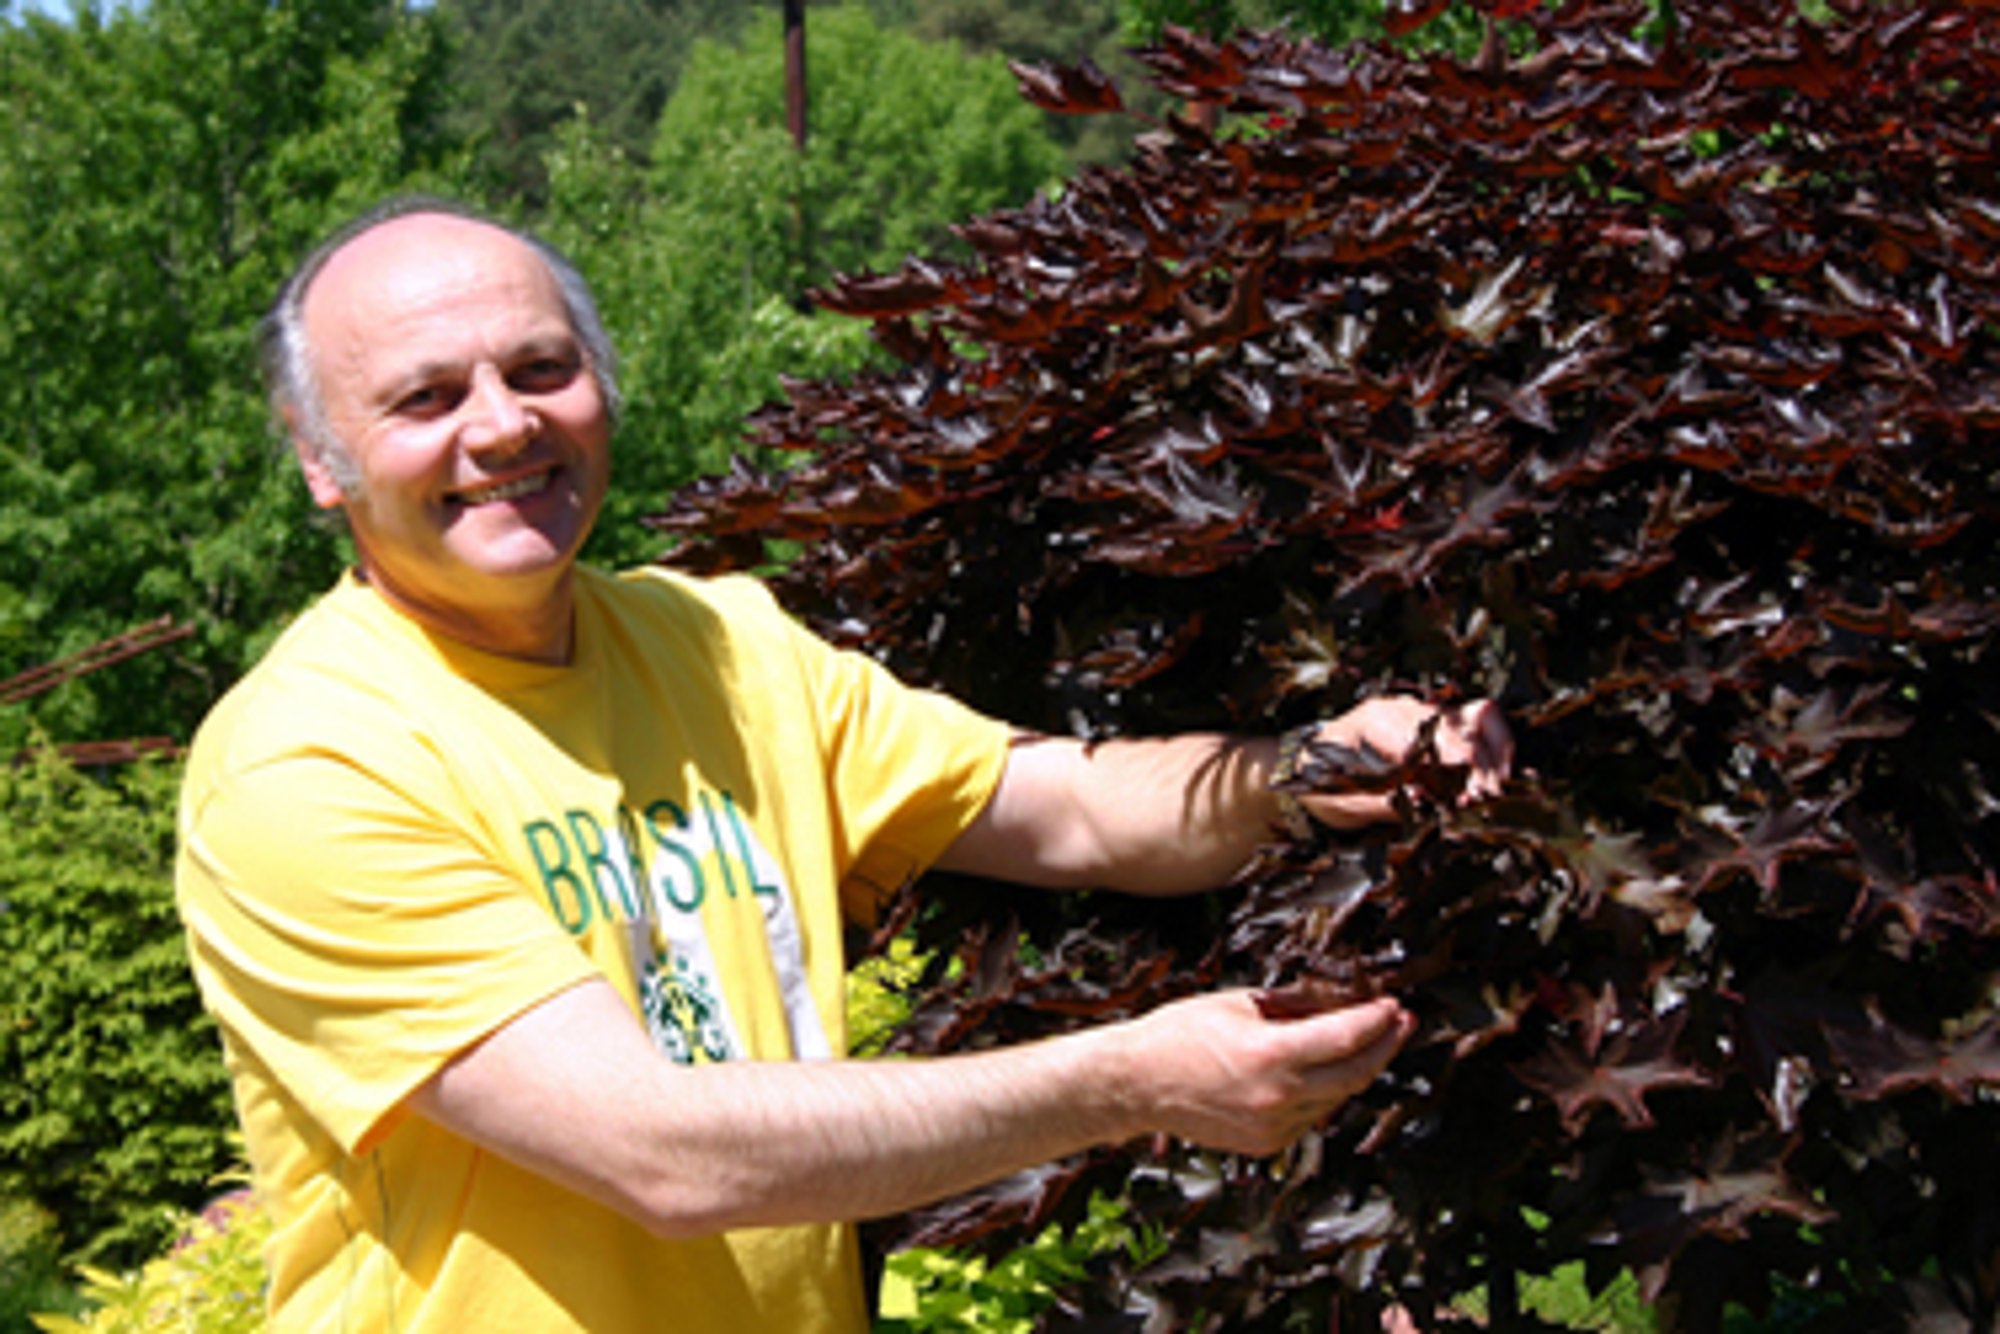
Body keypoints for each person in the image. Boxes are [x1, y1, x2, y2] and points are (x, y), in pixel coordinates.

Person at [174, 196, 1511, 1333]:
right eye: (425, 397)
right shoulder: (308, 765)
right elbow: (658, 1151)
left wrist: (1318, 765)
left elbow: (1070, 805)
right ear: (320, 459)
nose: (504, 425)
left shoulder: (715, 641)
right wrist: (1131, 1081)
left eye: (540, 367)